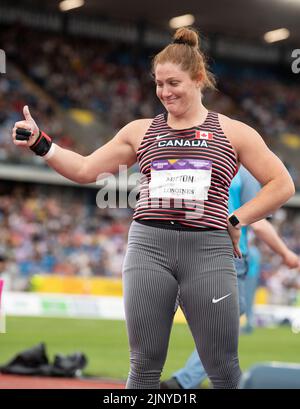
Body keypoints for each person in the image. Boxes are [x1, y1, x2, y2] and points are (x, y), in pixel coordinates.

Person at [12, 27, 295, 389]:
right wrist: (41, 143)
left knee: (223, 369)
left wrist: (236, 217)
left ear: (197, 79)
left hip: (208, 251)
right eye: (158, 84)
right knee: (143, 368)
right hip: (149, 248)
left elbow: (282, 184)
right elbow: (84, 169)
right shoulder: (140, 131)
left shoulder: (234, 132)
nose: (164, 92)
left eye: (173, 83)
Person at [160, 167, 299, 389]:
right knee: (224, 327)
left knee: (220, 325)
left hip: (189, 251)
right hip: (228, 255)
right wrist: (285, 253)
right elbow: (258, 222)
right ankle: (185, 381)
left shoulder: (196, 162)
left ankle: (188, 380)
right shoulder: (244, 174)